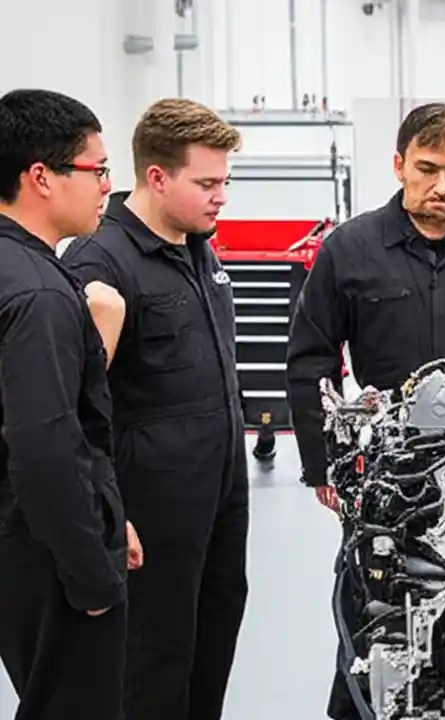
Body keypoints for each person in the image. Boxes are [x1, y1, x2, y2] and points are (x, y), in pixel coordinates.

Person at [286, 102, 445, 720]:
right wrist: (323, 466)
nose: (440, 185)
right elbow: (310, 358)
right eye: (426, 169)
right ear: (399, 165)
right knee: (371, 619)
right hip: (385, 477)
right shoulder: (350, 250)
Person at [60, 98, 249, 720]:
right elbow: (72, 408)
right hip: (150, 508)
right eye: (207, 183)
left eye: (225, 181)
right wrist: (105, 510)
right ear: (158, 176)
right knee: (152, 667)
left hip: (219, 497)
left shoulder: (198, 248)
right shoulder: (100, 262)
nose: (221, 197)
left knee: (211, 647)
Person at [0, 88, 137, 719]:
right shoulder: (42, 296)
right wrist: (90, 571)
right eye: (97, 169)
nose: (108, 186)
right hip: (47, 554)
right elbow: (46, 448)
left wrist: (110, 517)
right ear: (41, 178)